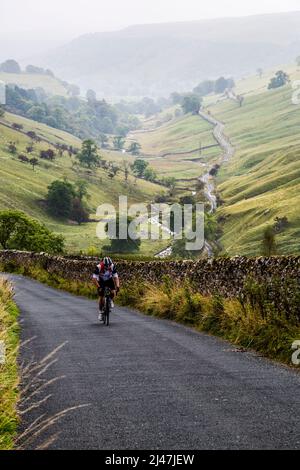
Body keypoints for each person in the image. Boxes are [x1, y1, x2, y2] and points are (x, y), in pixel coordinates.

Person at [92, 257, 120, 321]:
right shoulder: (98, 267)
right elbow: (94, 279)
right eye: (105, 267)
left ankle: (110, 300)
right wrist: (99, 287)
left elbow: (116, 278)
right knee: (101, 296)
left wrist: (118, 286)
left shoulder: (112, 266)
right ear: (103, 264)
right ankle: (100, 312)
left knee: (113, 292)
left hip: (109, 280)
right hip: (100, 281)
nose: (107, 268)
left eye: (108, 266)